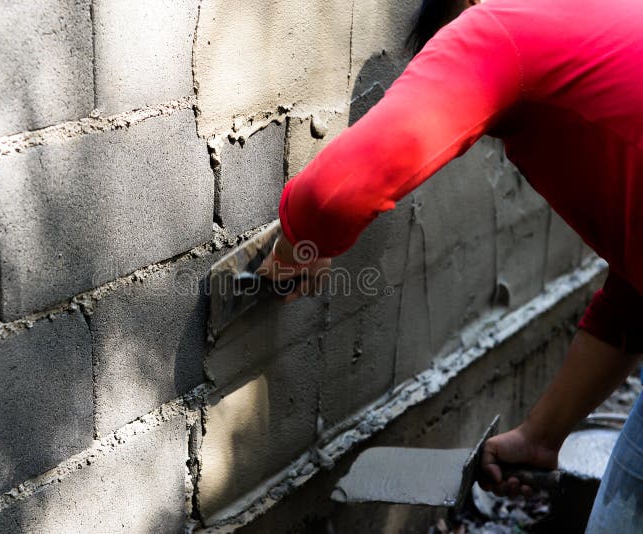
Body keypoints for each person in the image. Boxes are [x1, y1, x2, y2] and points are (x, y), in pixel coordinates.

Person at [258, 0, 643, 530]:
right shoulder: (604, 31)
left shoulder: (502, 26)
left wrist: (294, 250)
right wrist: (539, 438)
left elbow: (329, 197)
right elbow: (633, 301)